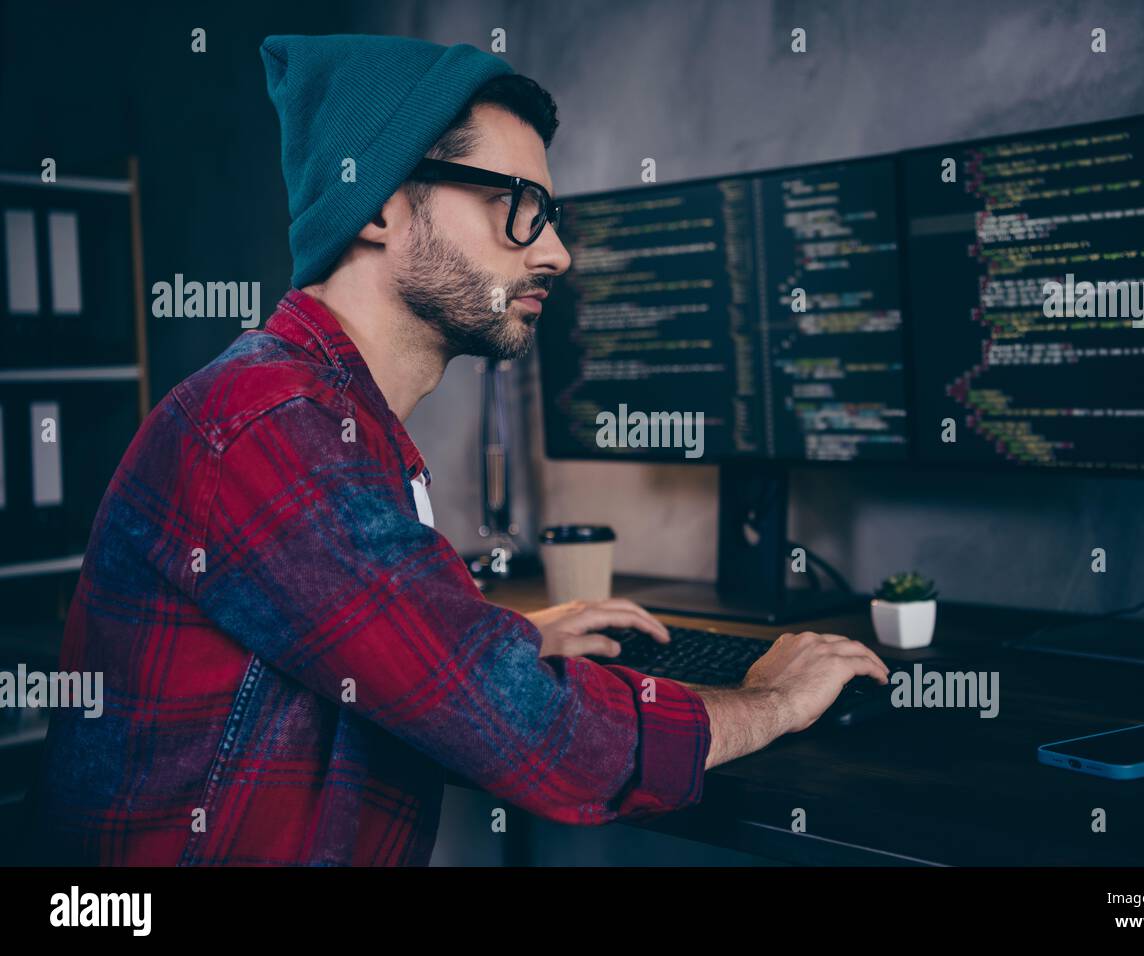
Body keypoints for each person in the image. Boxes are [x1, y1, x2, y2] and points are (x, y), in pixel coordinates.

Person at [32, 34, 887, 865]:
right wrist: (773, 697)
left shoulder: (332, 419)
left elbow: (346, 631)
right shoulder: (270, 423)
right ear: (377, 207)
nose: (556, 252)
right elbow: (553, 744)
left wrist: (492, 637)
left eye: (550, 215)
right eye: (515, 206)